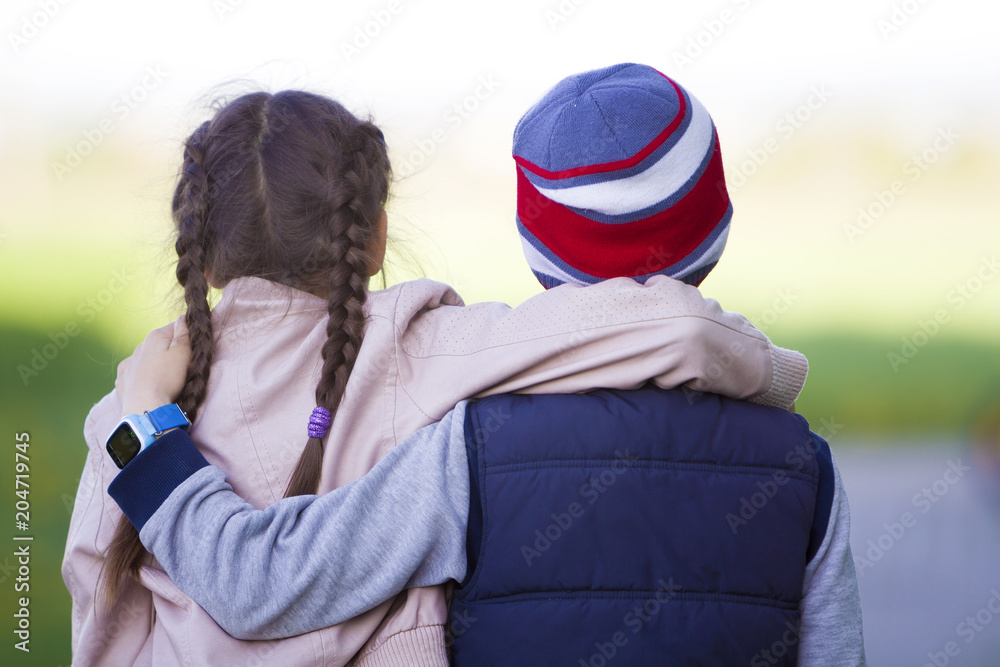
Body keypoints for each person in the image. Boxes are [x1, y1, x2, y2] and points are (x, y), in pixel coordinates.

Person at [62, 76, 808, 666]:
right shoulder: (424, 349)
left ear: (200, 246)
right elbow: (671, 326)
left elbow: (100, 630)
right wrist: (773, 379)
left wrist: (142, 424)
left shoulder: (125, 418)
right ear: (375, 234)